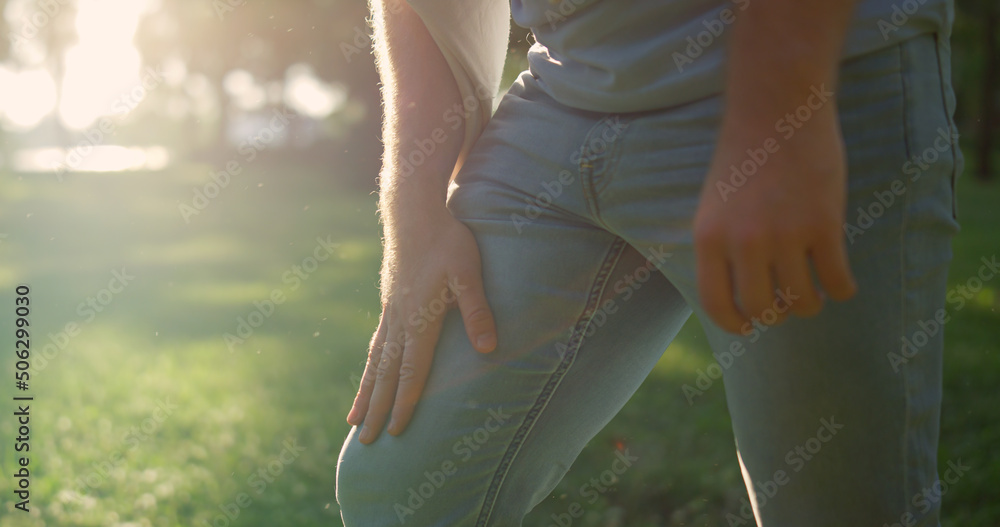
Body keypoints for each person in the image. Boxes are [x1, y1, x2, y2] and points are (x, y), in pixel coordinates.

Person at [336, 0, 961, 524]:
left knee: (836, 507)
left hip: (807, 74)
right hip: (563, 89)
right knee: (399, 489)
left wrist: (779, 119)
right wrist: (414, 213)